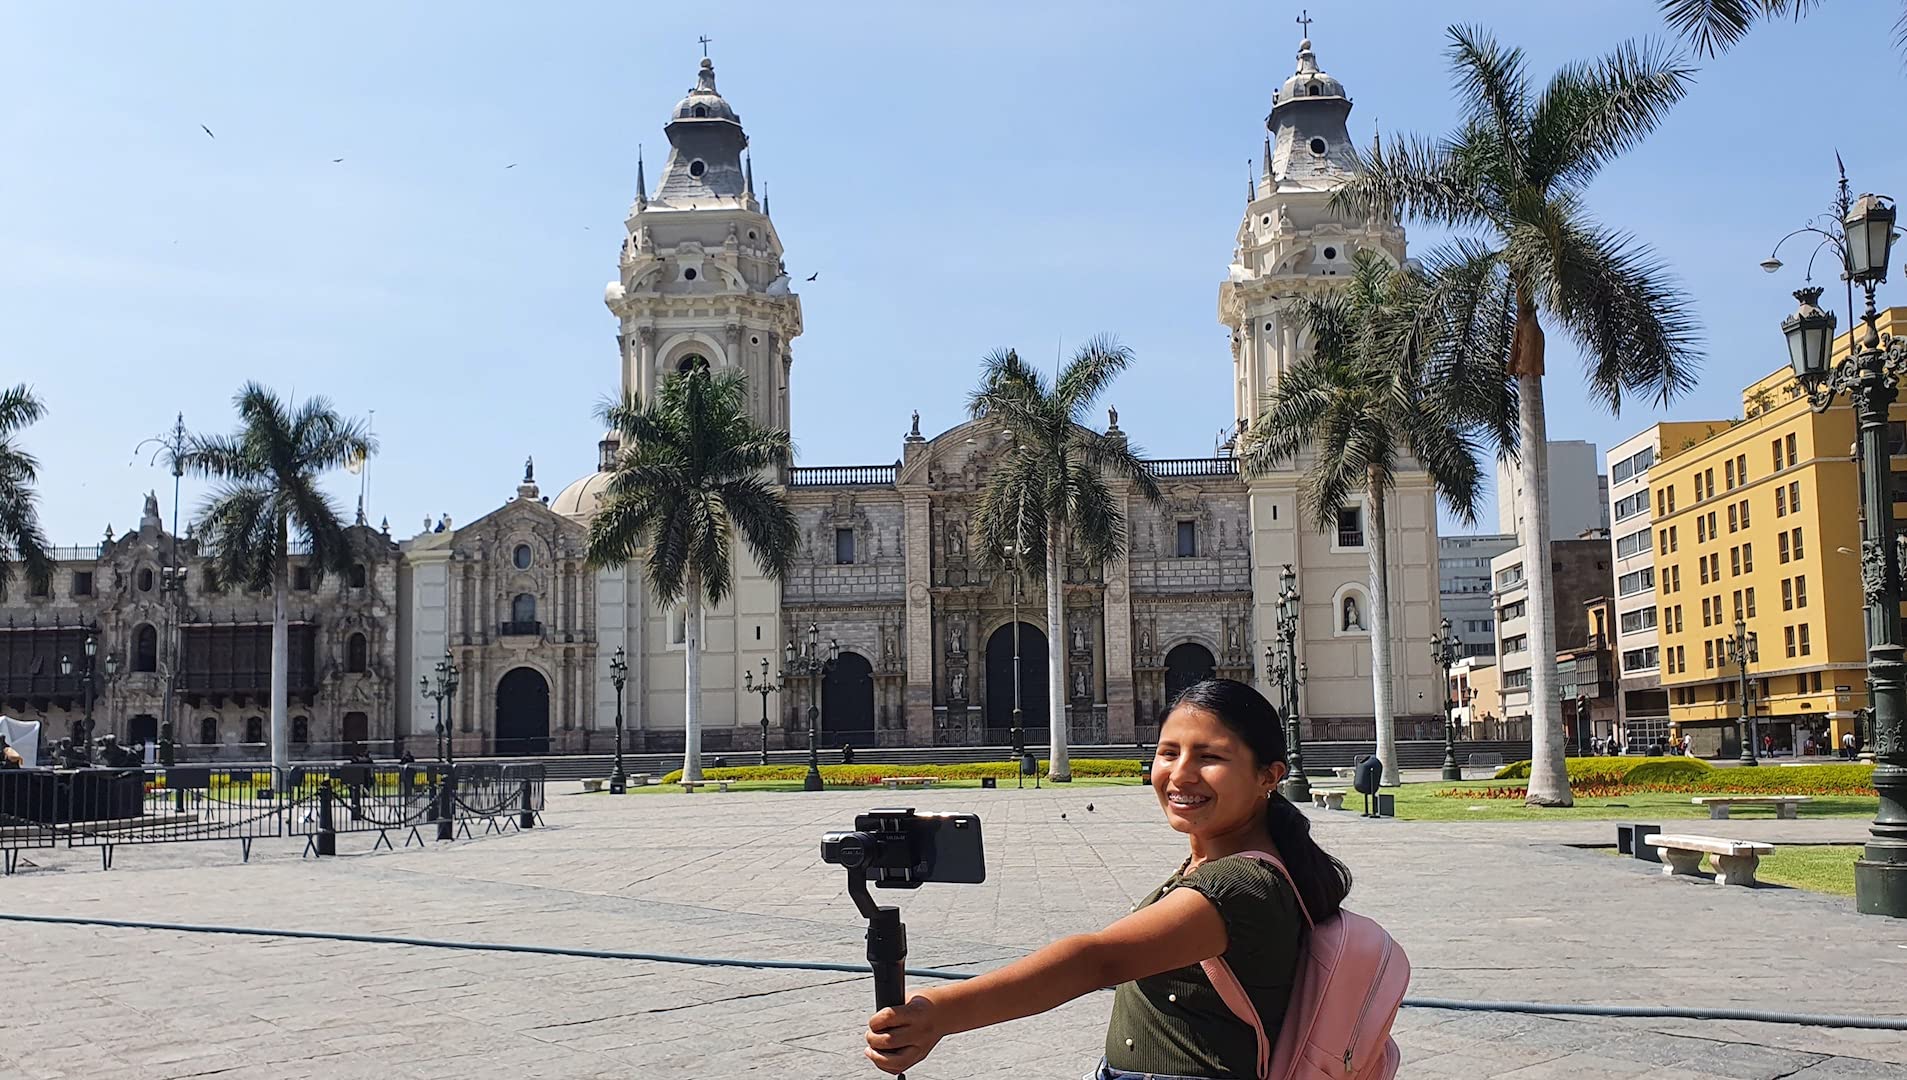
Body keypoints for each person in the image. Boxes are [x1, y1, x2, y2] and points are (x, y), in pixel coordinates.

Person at [863, 679, 1350, 1078]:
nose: (1180, 774)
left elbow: (1095, 961)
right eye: (1168, 752)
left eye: (1210, 757)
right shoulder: (1224, 864)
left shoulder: (1239, 885)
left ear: (1269, 776)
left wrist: (938, 1013)